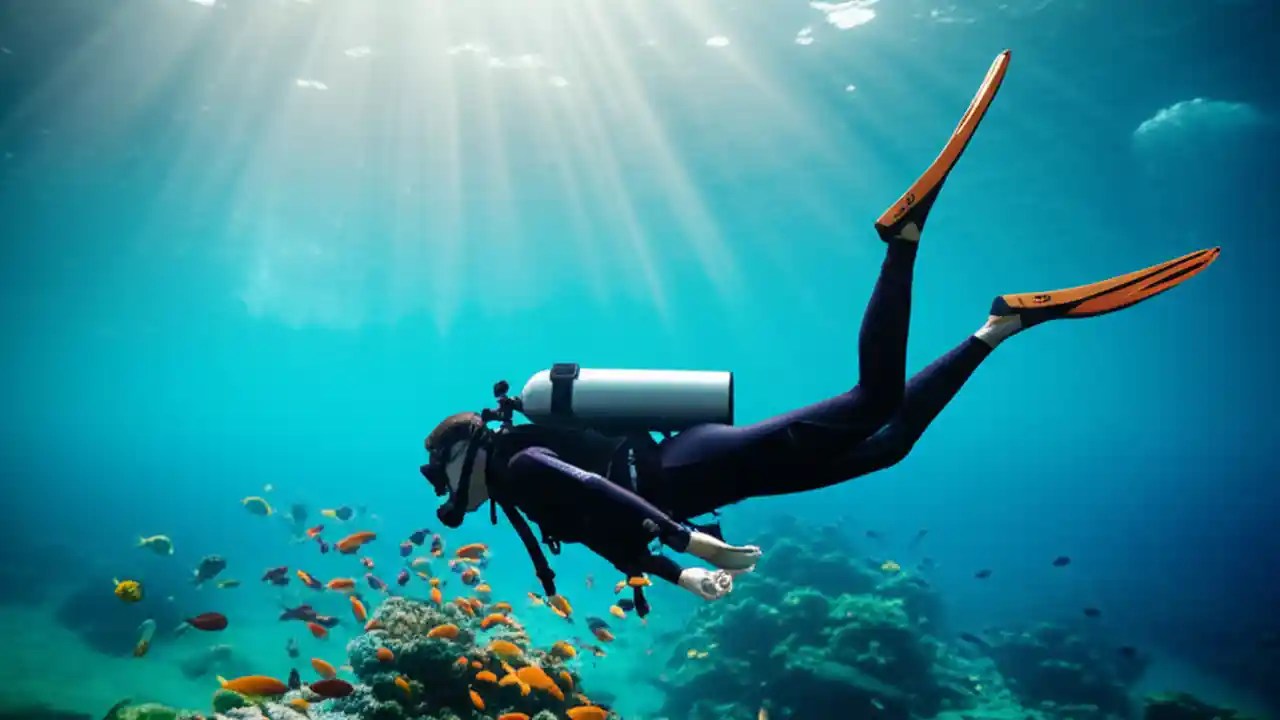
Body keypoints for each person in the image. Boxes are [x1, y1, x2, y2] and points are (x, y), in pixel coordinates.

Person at [417, 51, 1220, 613]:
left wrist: (690, 545)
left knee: (872, 401)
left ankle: (901, 240)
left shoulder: (520, 466)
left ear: (462, 454)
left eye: (436, 475)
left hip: (691, 465)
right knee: (887, 445)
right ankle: (1000, 326)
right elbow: (601, 530)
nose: (443, 496)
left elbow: (597, 492)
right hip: (704, 478)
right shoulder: (519, 492)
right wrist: (676, 572)